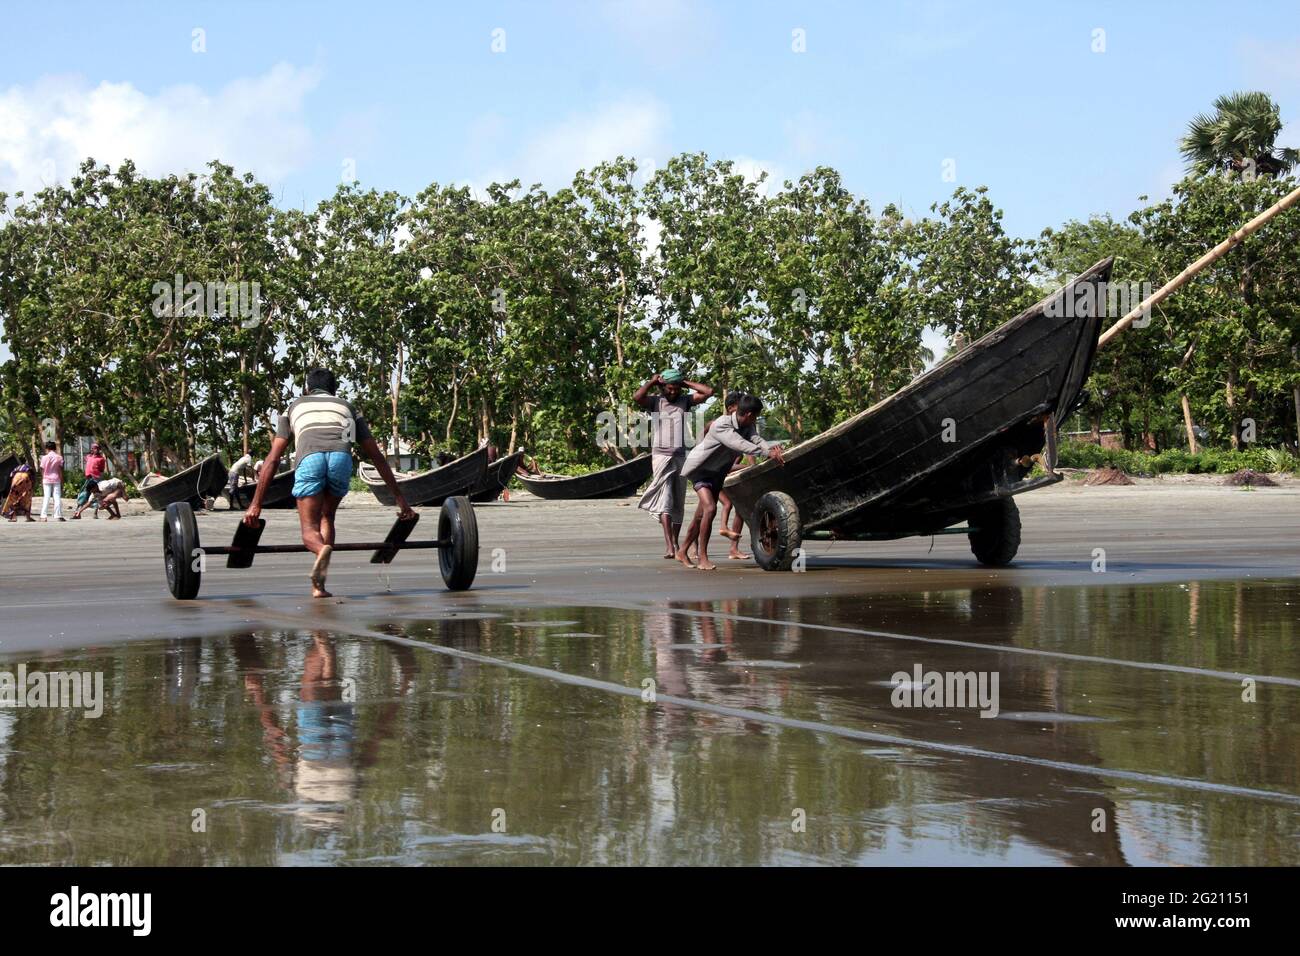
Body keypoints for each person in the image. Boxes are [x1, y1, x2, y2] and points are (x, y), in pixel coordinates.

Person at [244, 368, 414, 598]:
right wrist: (400, 500)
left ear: (307, 389)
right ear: (334, 389)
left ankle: (321, 549)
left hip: (310, 458)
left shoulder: (294, 407)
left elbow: (273, 459)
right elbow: (376, 456)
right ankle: (319, 586)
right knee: (327, 516)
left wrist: (255, 504)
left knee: (310, 530)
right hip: (341, 459)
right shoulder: (347, 407)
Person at [677, 394, 784, 570]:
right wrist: (766, 453)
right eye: (756, 416)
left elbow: (756, 440)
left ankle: (682, 551)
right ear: (749, 414)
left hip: (718, 472)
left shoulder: (747, 425)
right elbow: (738, 444)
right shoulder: (722, 424)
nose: (755, 420)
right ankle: (703, 557)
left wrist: (772, 449)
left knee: (699, 516)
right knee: (710, 509)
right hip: (700, 470)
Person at [634, 369, 714, 559]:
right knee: (665, 499)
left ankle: (677, 542)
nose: (673, 392)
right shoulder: (655, 401)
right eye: (670, 388)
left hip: (680, 455)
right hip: (661, 455)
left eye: (676, 389)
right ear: (663, 388)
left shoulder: (684, 401)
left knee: (678, 500)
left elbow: (708, 392)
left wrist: (684, 382)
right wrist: (653, 382)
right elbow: (637, 397)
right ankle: (670, 545)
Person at [74, 442, 107, 515]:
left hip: (96, 479)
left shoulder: (101, 459)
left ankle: (95, 512)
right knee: (83, 493)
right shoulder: (89, 457)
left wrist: (98, 478)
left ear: (99, 450)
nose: (94, 450)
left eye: (96, 448)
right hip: (88, 479)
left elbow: (101, 470)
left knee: (96, 495)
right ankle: (77, 509)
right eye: (93, 448)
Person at [38, 441, 64, 522]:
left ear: (47, 448)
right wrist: (62, 479)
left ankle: (43, 516)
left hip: (46, 479)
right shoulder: (59, 457)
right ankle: (58, 515)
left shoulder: (44, 458)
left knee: (46, 497)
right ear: (55, 448)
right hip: (56, 478)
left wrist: (43, 478)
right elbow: (60, 469)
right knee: (57, 497)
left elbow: (42, 469)